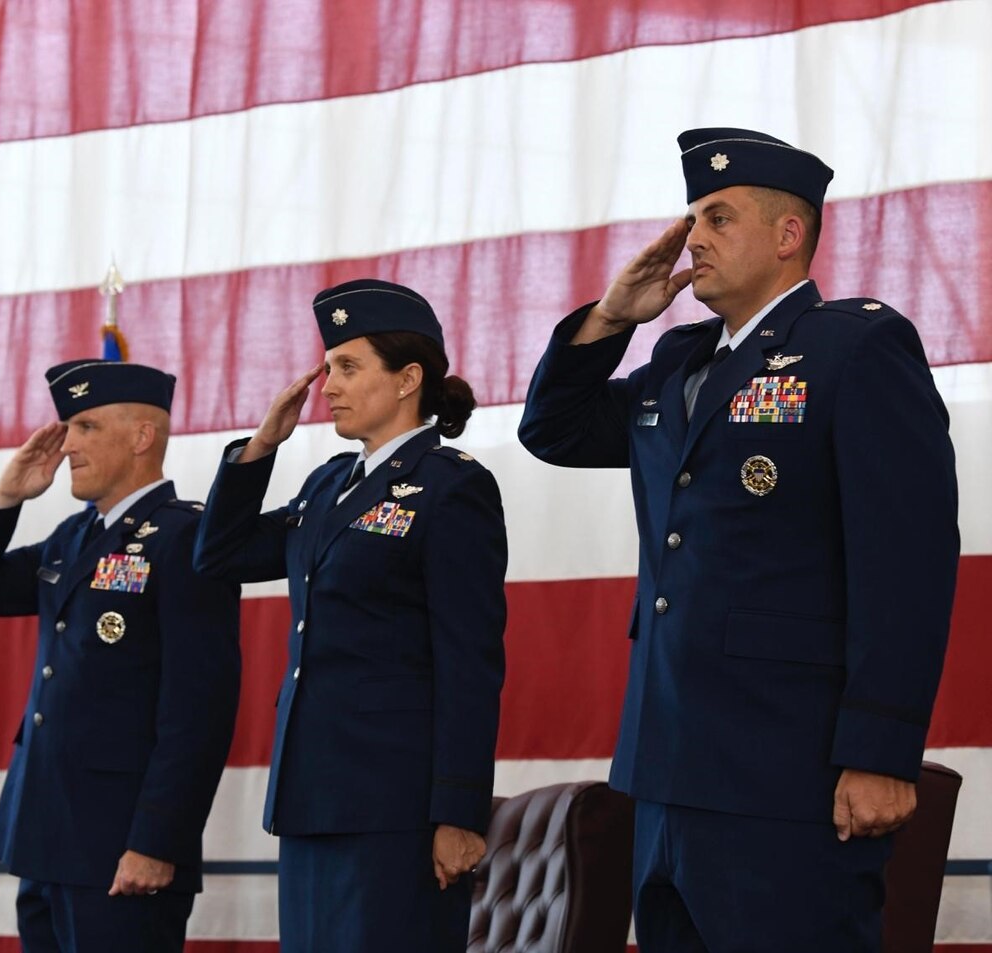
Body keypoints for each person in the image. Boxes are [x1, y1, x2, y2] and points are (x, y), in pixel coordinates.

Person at [518, 128, 959, 951]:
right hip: (666, 767)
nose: (694, 240)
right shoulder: (679, 365)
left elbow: (907, 563)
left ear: (788, 235)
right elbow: (554, 427)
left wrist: (881, 749)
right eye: (693, 220)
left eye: (718, 218)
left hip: (787, 771)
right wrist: (613, 316)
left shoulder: (854, 348)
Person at [193, 278, 507, 953]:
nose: (326, 383)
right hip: (313, 796)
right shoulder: (328, 484)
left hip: (395, 805)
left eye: (347, 366)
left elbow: (470, 659)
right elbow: (217, 554)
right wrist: (259, 449)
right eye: (329, 365)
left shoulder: (453, 487)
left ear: (407, 378)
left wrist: (458, 811)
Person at [0, 359, 241, 953]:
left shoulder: (187, 539)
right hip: (45, 836)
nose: (66, 444)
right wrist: (6, 495)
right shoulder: (75, 537)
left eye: (85, 427)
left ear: (141, 436)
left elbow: (198, 711)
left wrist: (158, 842)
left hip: (122, 845)